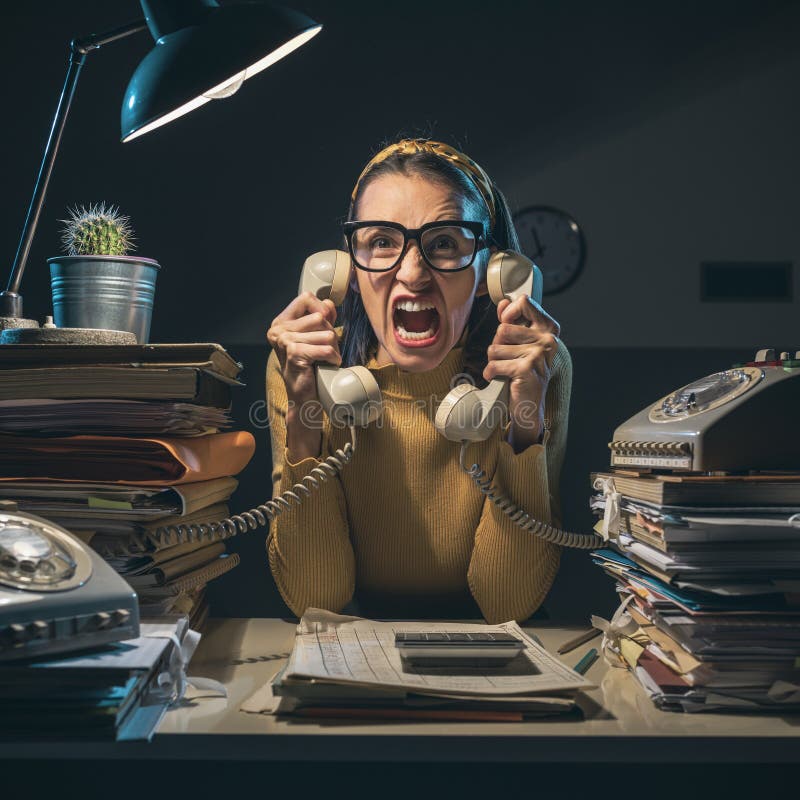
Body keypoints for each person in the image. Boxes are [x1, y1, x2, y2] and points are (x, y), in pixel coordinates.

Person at [265, 139, 572, 624]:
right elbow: (314, 595)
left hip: (492, 644)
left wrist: (523, 422)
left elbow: (508, 602)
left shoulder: (533, 364)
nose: (412, 274)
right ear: (346, 268)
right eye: (381, 241)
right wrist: (305, 411)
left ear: (492, 272)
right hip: (357, 641)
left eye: (444, 242)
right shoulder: (305, 363)